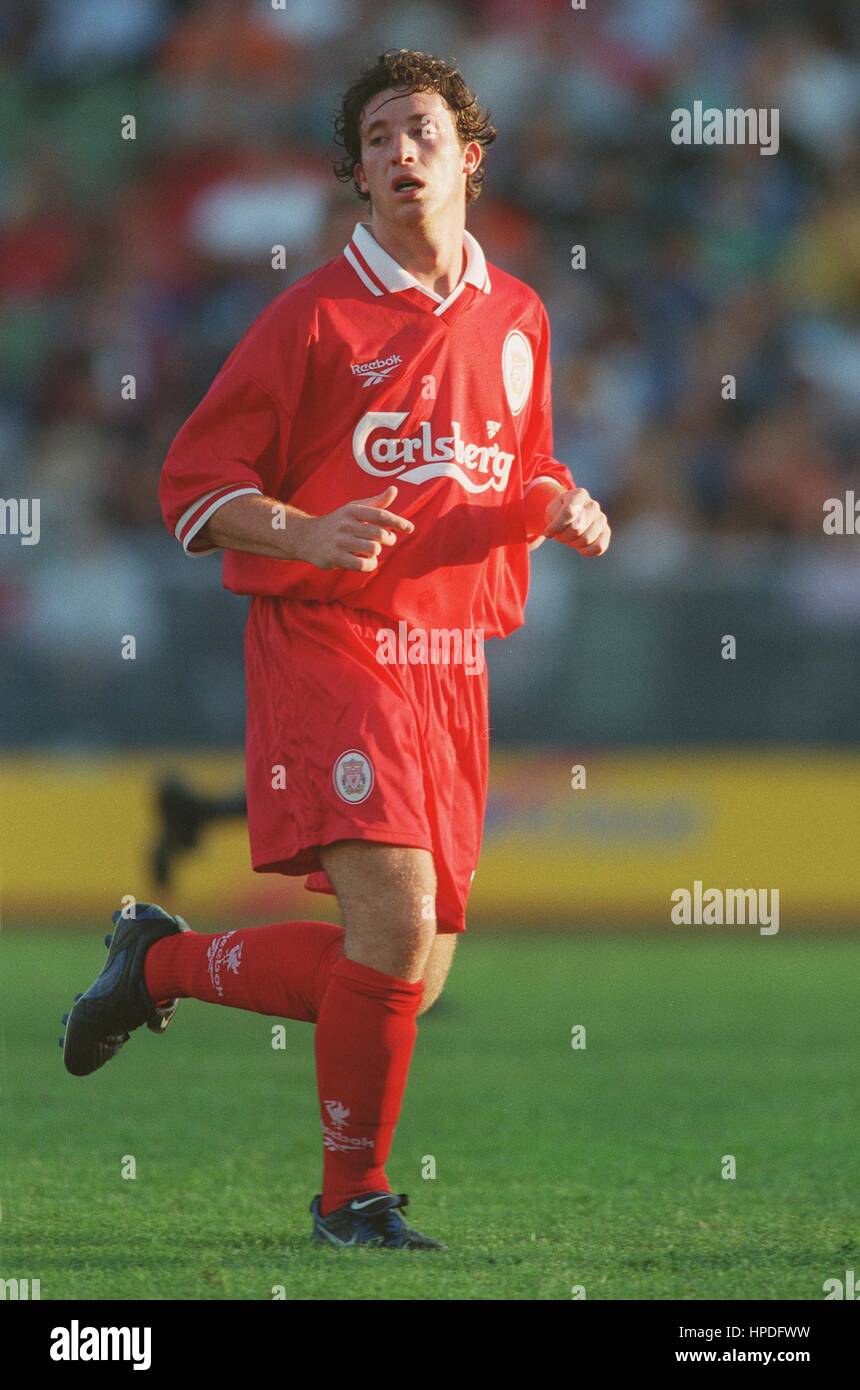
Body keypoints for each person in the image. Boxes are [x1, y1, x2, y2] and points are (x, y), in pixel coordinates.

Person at [61, 49, 610, 1250]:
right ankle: (347, 1199)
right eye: (375, 139)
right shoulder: (310, 316)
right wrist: (307, 530)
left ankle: (156, 967)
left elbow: (512, 465)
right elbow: (193, 484)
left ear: (469, 156)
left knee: (407, 975)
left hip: (451, 659)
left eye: (420, 130)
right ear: (356, 177)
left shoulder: (521, 315)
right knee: (395, 926)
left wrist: (559, 501)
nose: (399, 151)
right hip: (329, 639)